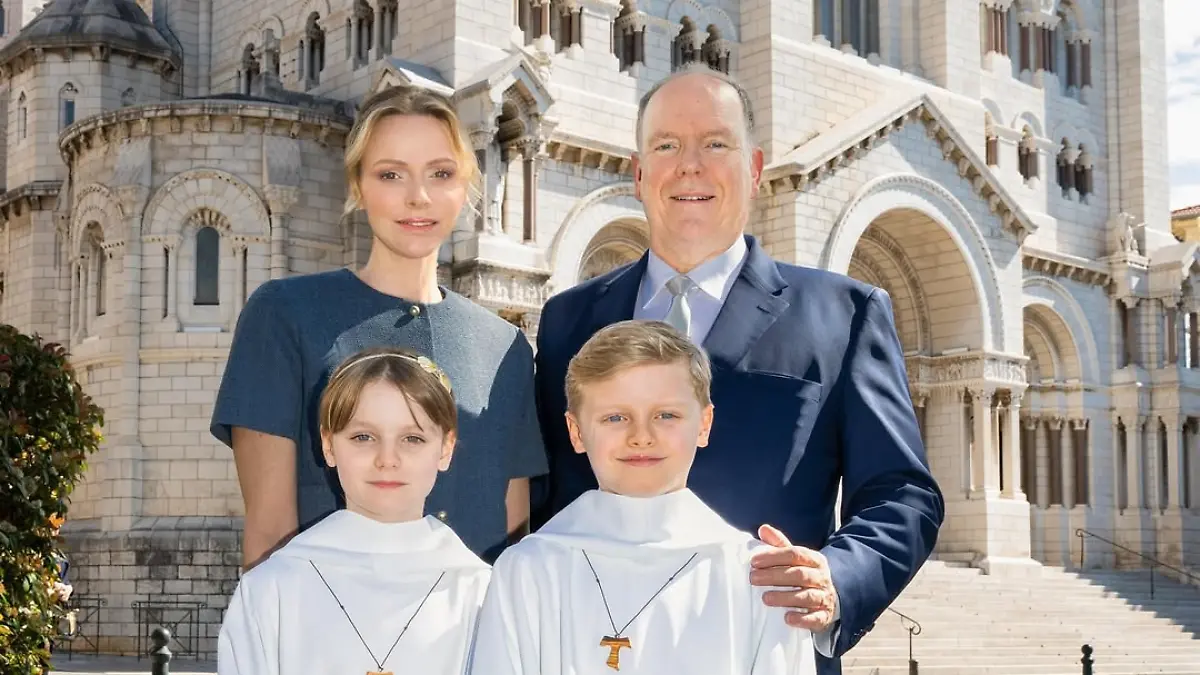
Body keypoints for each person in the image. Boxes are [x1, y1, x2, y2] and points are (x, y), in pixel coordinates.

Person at [531, 65, 945, 673]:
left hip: (761, 643)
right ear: (640, 173)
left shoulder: (845, 315)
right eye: (666, 145)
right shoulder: (569, 320)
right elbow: (547, 489)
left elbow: (902, 494)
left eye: (714, 144)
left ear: (753, 169)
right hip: (590, 646)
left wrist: (838, 577)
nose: (689, 165)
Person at [211, 84, 547, 569]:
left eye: (441, 173)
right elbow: (267, 536)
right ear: (358, 187)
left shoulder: (505, 347)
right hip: (335, 630)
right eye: (391, 174)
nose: (419, 197)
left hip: (474, 637)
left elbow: (513, 542)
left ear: (465, 189)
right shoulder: (284, 314)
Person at [472, 320, 816, 675]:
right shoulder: (528, 570)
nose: (641, 436)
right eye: (616, 417)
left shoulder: (758, 576)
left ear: (704, 424)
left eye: (666, 415)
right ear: (576, 431)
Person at [217, 347, 491, 675]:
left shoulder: (480, 592)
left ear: (445, 448)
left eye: (412, 439)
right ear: (329, 445)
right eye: (363, 437)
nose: (387, 459)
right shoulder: (272, 589)